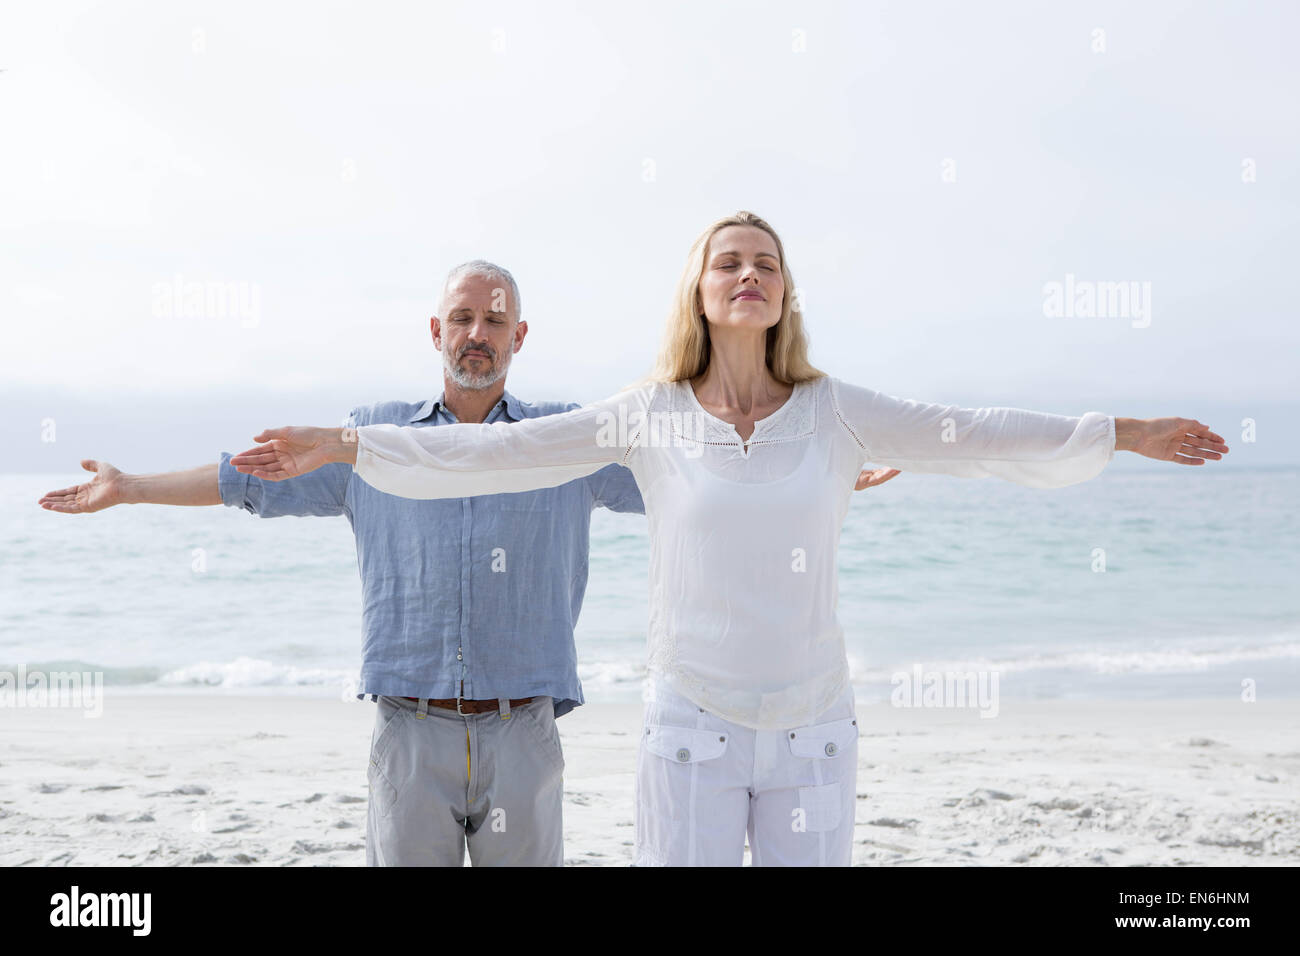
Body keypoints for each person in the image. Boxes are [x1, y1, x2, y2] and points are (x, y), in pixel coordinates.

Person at [229, 211, 1228, 866]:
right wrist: (349, 443)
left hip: (811, 730)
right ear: (701, 292)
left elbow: (966, 433)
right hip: (689, 728)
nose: (746, 273)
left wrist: (1118, 433)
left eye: (765, 263)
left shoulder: (834, 410)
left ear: (783, 293)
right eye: (727, 260)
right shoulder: (649, 412)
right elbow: (498, 453)